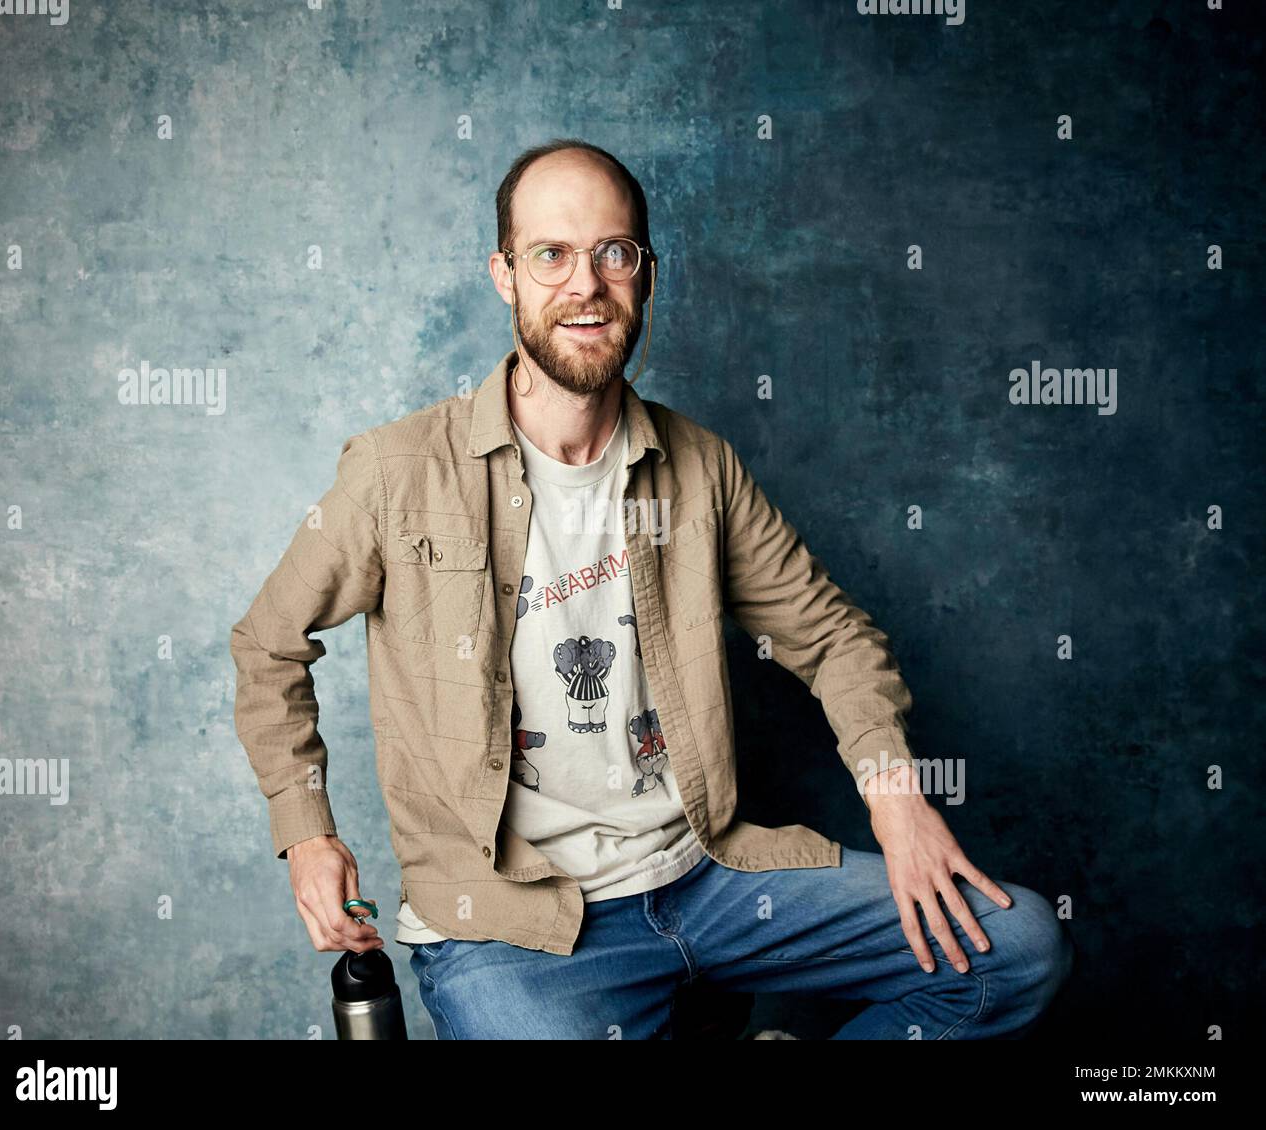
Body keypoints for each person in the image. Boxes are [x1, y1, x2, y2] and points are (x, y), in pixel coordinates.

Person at [230, 138, 1073, 1039]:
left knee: (1016, 947)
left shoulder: (701, 469)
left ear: (646, 276)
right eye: (551, 254)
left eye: (613, 253)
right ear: (504, 276)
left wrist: (895, 794)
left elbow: (831, 636)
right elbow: (268, 644)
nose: (585, 283)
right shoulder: (396, 472)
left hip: (707, 882)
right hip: (510, 930)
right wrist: (307, 832)